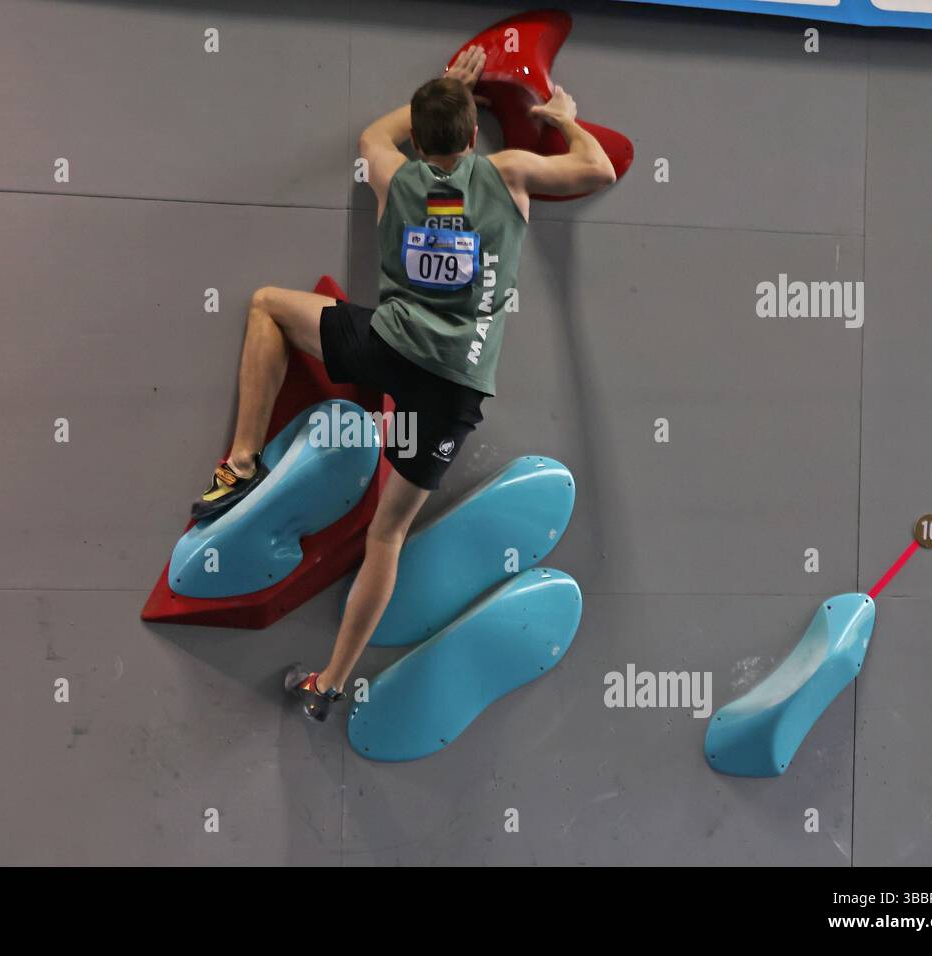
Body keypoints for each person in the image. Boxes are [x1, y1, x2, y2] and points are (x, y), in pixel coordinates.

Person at [191, 46, 617, 721]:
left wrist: (449, 85)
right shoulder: (509, 175)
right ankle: (330, 683)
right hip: (455, 388)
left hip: (387, 348)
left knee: (269, 305)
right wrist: (563, 118)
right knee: (387, 537)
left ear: (418, 139)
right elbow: (598, 167)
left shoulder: (398, 177)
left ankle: (240, 462)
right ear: (476, 137)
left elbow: (371, 138)